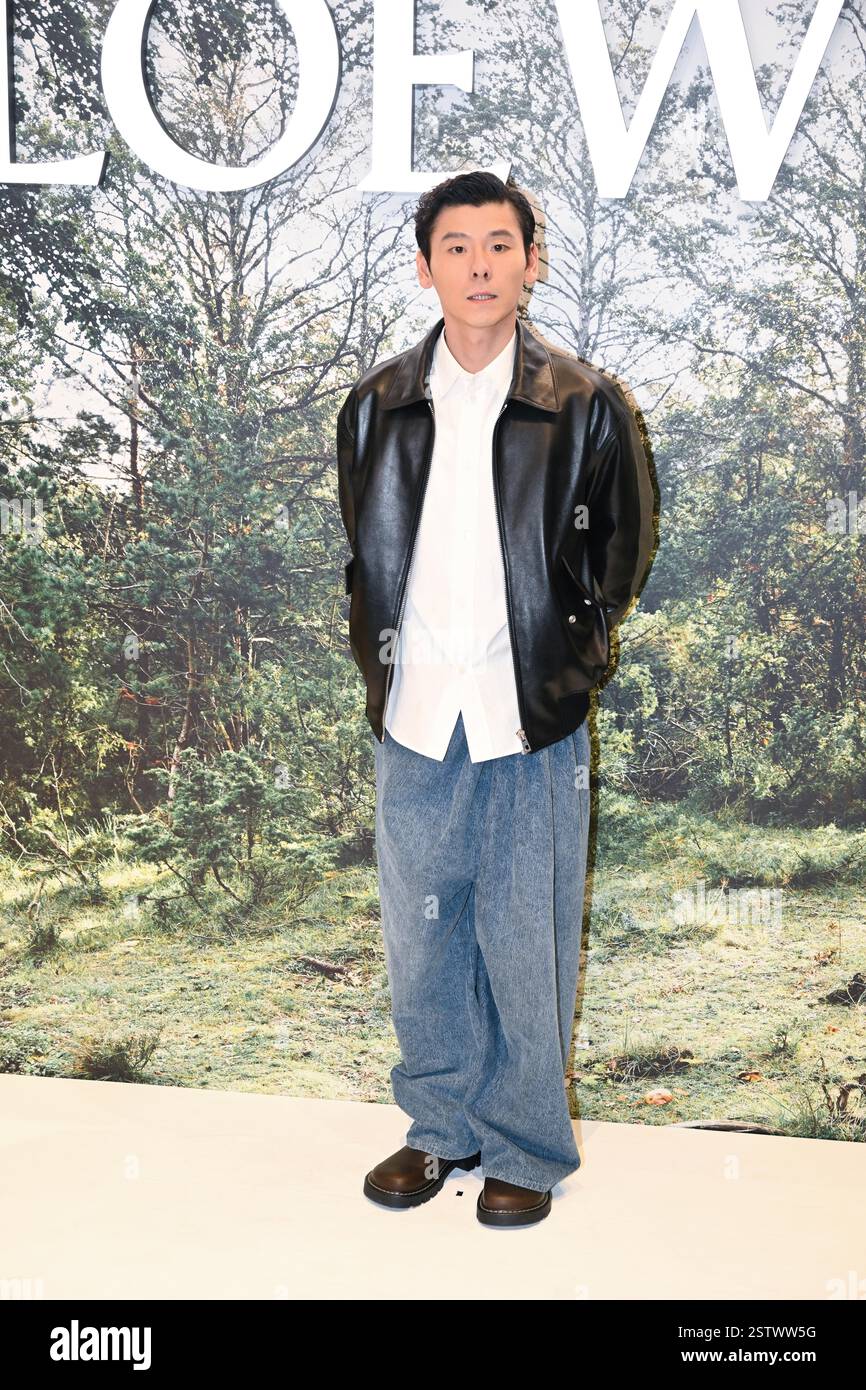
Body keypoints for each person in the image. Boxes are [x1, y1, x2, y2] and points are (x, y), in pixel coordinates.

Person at [336, 171, 655, 1227]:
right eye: (456, 246)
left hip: (528, 712)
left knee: (524, 936)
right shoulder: (376, 404)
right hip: (415, 708)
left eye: (499, 244)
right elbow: (363, 549)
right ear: (424, 266)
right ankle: (439, 1129)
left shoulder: (581, 403)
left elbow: (619, 549)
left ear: (530, 260)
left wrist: (570, 657)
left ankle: (523, 1142)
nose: (478, 264)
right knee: (423, 937)